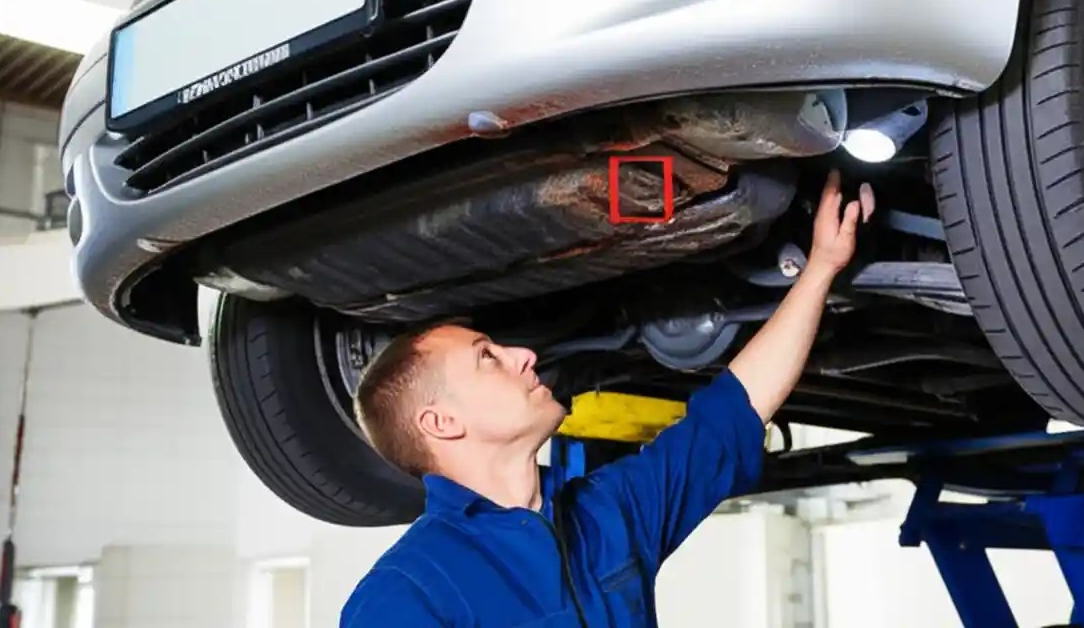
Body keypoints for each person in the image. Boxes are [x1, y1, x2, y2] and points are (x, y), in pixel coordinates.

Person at [340, 170, 875, 627]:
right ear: (441, 421)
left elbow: (732, 413)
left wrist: (821, 268)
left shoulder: (606, 513)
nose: (523, 355)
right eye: (487, 357)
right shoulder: (404, 594)